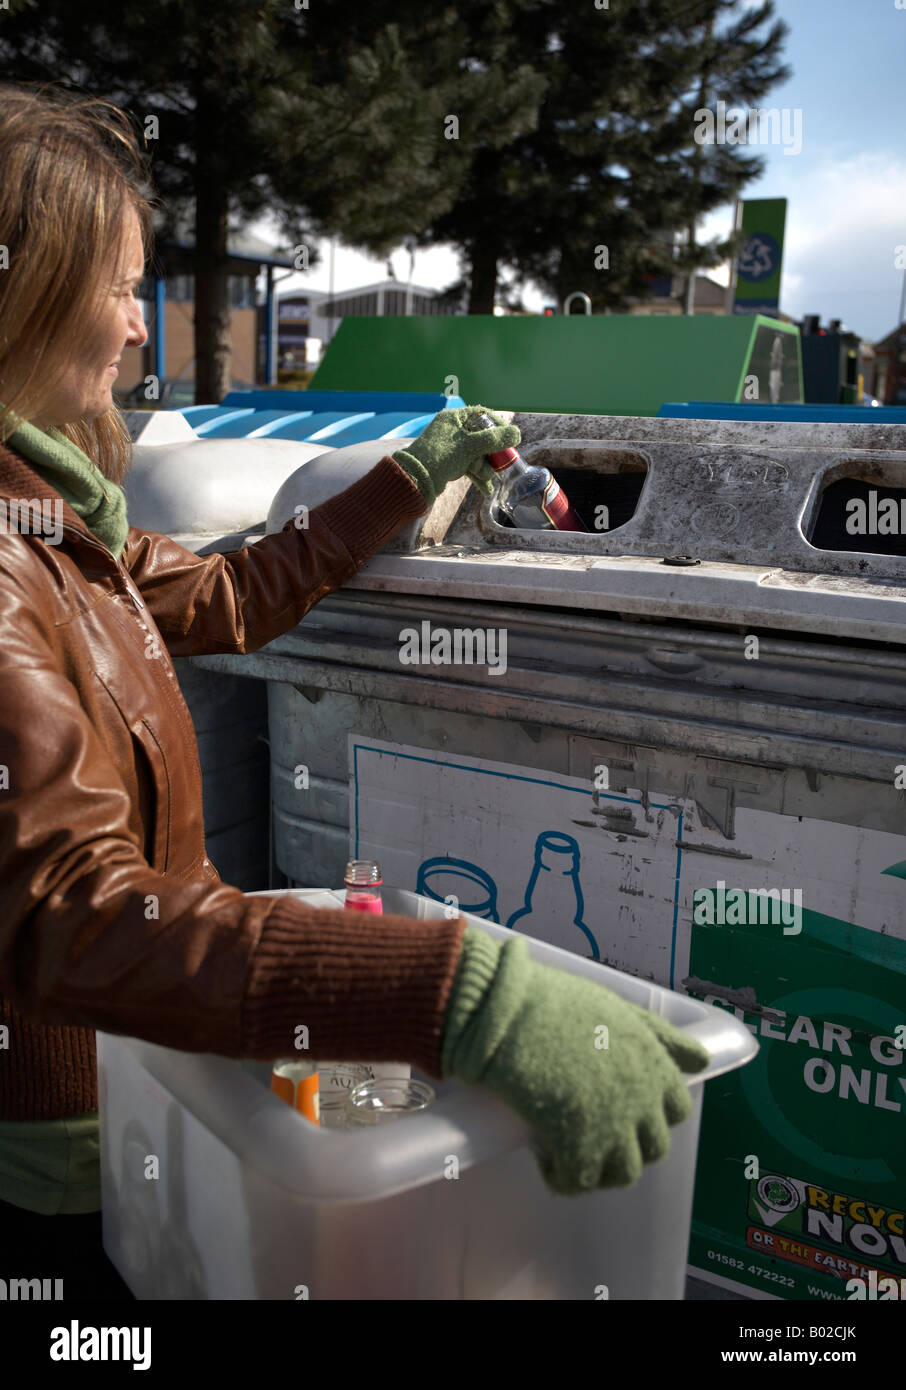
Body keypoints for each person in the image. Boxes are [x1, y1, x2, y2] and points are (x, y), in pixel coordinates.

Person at [0, 83, 708, 1301]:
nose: (134, 327)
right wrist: (452, 997)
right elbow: (74, 914)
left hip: (130, 1103)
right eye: (118, 286)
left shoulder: (67, 526)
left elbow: (228, 598)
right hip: (51, 1165)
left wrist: (404, 474)